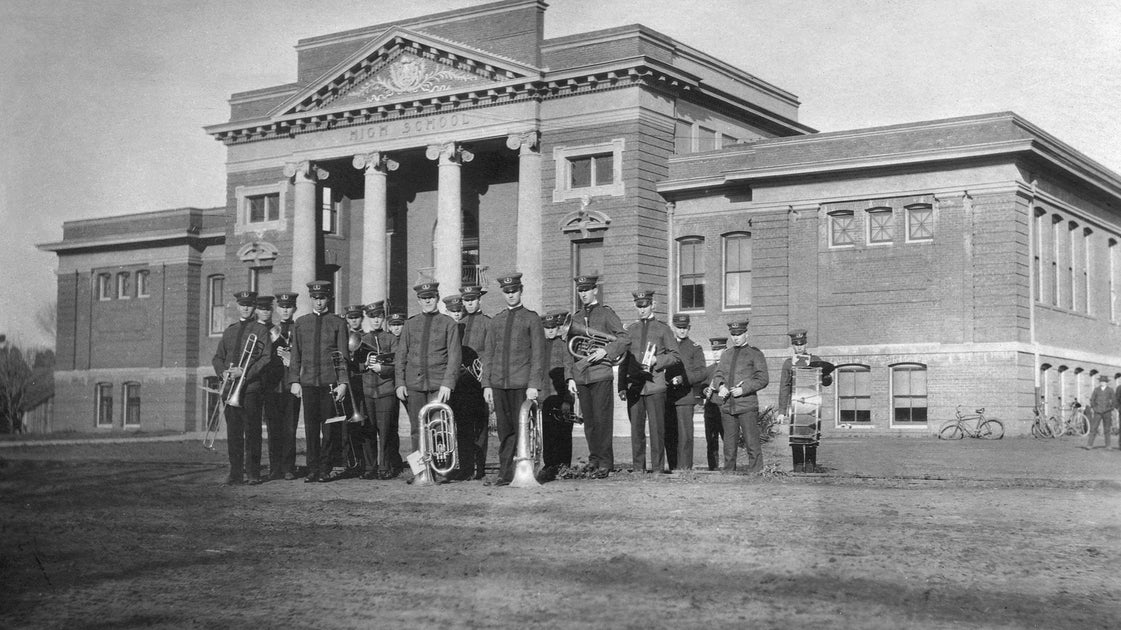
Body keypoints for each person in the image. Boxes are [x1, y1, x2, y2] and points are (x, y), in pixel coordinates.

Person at [482, 272, 546, 486]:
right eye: (507, 292)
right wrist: (487, 384)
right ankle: (505, 472)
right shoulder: (497, 320)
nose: (511, 295)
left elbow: (538, 354)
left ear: (521, 291)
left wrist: (534, 385)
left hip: (521, 384)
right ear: (503, 293)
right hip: (499, 384)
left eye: (514, 291)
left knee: (523, 430)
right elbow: (488, 354)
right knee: (504, 430)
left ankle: (525, 469)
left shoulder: (531, 318)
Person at [395, 279, 461, 481]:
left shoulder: (448, 323)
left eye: (431, 297)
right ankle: (419, 472)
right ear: (418, 300)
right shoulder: (410, 324)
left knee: (439, 428)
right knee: (416, 430)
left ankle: (440, 471)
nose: (427, 301)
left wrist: (448, 383)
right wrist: (399, 382)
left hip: (438, 386)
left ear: (437, 298)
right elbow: (401, 355)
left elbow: (454, 356)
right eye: (424, 298)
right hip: (414, 385)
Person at [287, 281, 350, 483]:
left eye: (322, 298)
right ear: (311, 299)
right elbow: (295, 355)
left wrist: (343, 383)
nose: (319, 302)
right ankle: (312, 469)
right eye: (315, 298)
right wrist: (294, 380)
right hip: (308, 384)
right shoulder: (301, 322)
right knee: (311, 428)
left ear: (328, 298)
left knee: (329, 428)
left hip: (330, 383)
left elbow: (342, 356)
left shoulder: (338, 323)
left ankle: (325, 468)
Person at [570, 274, 630, 478]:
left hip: (601, 374)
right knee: (589, 422)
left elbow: (624, 339)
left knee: (602, 420)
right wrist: (571, 376)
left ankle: (605, 462)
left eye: (587, 289)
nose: (583, 293)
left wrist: (606, 351)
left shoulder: (606, 314)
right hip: (582, 375)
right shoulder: (576, 317)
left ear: (595, 290)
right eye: (580, 290)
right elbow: (571, 348)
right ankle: (594, 459)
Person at [211, 290, 271, 485]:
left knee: (252, 432)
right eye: (243, 304)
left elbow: (265, 358)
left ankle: (253, 473)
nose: (246, 308)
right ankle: (235, 473)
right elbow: (218, 357)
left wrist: (244, 374)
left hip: (251, 388)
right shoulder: (230, 330)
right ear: (238, 306)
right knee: (234, 433)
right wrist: (223, 373)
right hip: (230, 389)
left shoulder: (260, 330)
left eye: (250, 305)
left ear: (254, 307)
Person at [617, 290, 679, 474]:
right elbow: (623, 360)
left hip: (655, 386)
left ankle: (658, 468)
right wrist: (621, 386)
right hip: (634, 387)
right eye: (639, 306)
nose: (642, 309)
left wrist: (657, 362)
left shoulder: (663, 329)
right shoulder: (630, 330)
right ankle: (638, 468)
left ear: (653, 305)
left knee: (657, 430)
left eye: (645, 305)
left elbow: (675, 356)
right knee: (636, 430)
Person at [713, 319, 769, 473]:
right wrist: (721, 386)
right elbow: (717, 375)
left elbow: (763, 379)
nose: (736, 337)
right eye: (733, 334)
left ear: (746, 334)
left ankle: (756, 472)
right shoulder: (726, 354)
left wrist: (743, 389)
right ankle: (729, 473)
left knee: (752, 442)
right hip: (727, 406)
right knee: (729, 444)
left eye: (739, 334)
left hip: (746, 406)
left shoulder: (755, 354)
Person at [777, 329, 835, 473]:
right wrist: (782, 411)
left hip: (812, 404)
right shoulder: (788, 363)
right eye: (796, 345)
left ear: (806, 344)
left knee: (811, 435)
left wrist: (826, 376)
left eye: (802, 344)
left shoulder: (815, 359)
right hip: (795, 404)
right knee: (796, 435)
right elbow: (784, 387)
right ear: (792, 346)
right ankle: (797, 466)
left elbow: (826, 382)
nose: (799, 347)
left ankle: (810, 465)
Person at [359, 301, 399, 479]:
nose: (376, 320)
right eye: (372, 317)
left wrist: (382, 369)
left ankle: (385, 467)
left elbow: (397, 362)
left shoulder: (391, 339)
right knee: (368, 430)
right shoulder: (362, 339)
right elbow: (353, 363)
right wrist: (365, 364)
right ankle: (370, 467)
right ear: (368, 318)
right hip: (367, 391)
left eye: (379, 316)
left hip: (385, 390)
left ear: (383, 318)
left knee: (385, 431)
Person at [663, 314, 708, 472]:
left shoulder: (695, 348)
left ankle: (685, 468)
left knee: (685, 435)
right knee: (669, 434)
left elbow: (702, 372)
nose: (682, 331)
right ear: (674, 328)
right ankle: (673, 467)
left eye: (684, 328)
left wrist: (684, 378)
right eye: (679, 328)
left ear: (689, 328)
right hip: (667, 397)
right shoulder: (666, 346)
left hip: (685, 397)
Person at [335, 304, 375, 480]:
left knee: (365, 426)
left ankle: (368, 465)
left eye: (357, 317)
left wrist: (362, 364)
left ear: (362, 318)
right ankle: (351, 463)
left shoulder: (367, 338)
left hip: (362, 386)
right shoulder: (342, 337)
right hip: (346, 386)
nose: (354, 321)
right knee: (347, 426)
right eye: (350, 318)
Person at [443, 294, 479, 481]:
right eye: (452, 311)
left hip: (465, 386)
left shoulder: (466, 329)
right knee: (443, 427)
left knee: (465, 428)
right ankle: (442, 467)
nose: (456, 315)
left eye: (459, 311)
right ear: (447, 311)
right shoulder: (442, 327)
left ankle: (466, 468)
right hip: (443, 384)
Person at [458, 284, 491, 480]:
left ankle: (480, 467)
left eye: (473, 300)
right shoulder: (458, 324)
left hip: (478, 381)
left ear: (480, 300)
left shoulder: (488, 323)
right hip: (461, 383)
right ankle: (465, 467)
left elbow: (490, 351)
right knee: (462, 425)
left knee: (480, 426)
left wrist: (481, 370)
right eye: (466, 301)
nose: (469, 303)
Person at [268, 291, 301, 480]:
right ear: (278, 309)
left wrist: (291, 359)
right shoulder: (271, 330)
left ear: (294, 308)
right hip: (273, 385)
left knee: (290, 427)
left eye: (289, 307)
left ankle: (289, 467)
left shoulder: (299, 329)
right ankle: (275, 467)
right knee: (274, 428)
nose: (285, 310)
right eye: (282, 307)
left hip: (291, 384)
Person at [540, 310, 576, 474]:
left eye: (553, 327)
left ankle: (564, 465)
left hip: (561, 396)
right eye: (547, 328)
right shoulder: (538, 346)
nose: (551, 331)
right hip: (545, 397)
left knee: (563, 432)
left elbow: (569, 367)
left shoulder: (563, 345)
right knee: (547, 434)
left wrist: (568, 398)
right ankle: (549, 464)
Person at [702, 337, 727, 471]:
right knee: (711, 441)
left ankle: (730, 467)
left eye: (719, 350)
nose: (716, 353)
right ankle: (713, 467)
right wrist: (705, 390)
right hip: (711, 409)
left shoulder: (728, 369)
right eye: (714, 350)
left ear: (725, 350)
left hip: (724, 408)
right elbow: (702, 387)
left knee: (727, 440)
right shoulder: (709, 369)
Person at [1086, 374, 1115, 450]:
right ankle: (1089, 445)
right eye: (1101, 381)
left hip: (1107, 412)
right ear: (1100, 382)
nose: (1102, 383)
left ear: (1106, 382)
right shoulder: (1096, 390)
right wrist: (1094, 408)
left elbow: (1114, 400)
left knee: (1107, 429)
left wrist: (1111, 408)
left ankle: (1108, 445)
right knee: (1093, 428)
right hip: (1097, 412)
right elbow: (1092, 400)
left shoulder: (1110, 390)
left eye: (1104, 381)